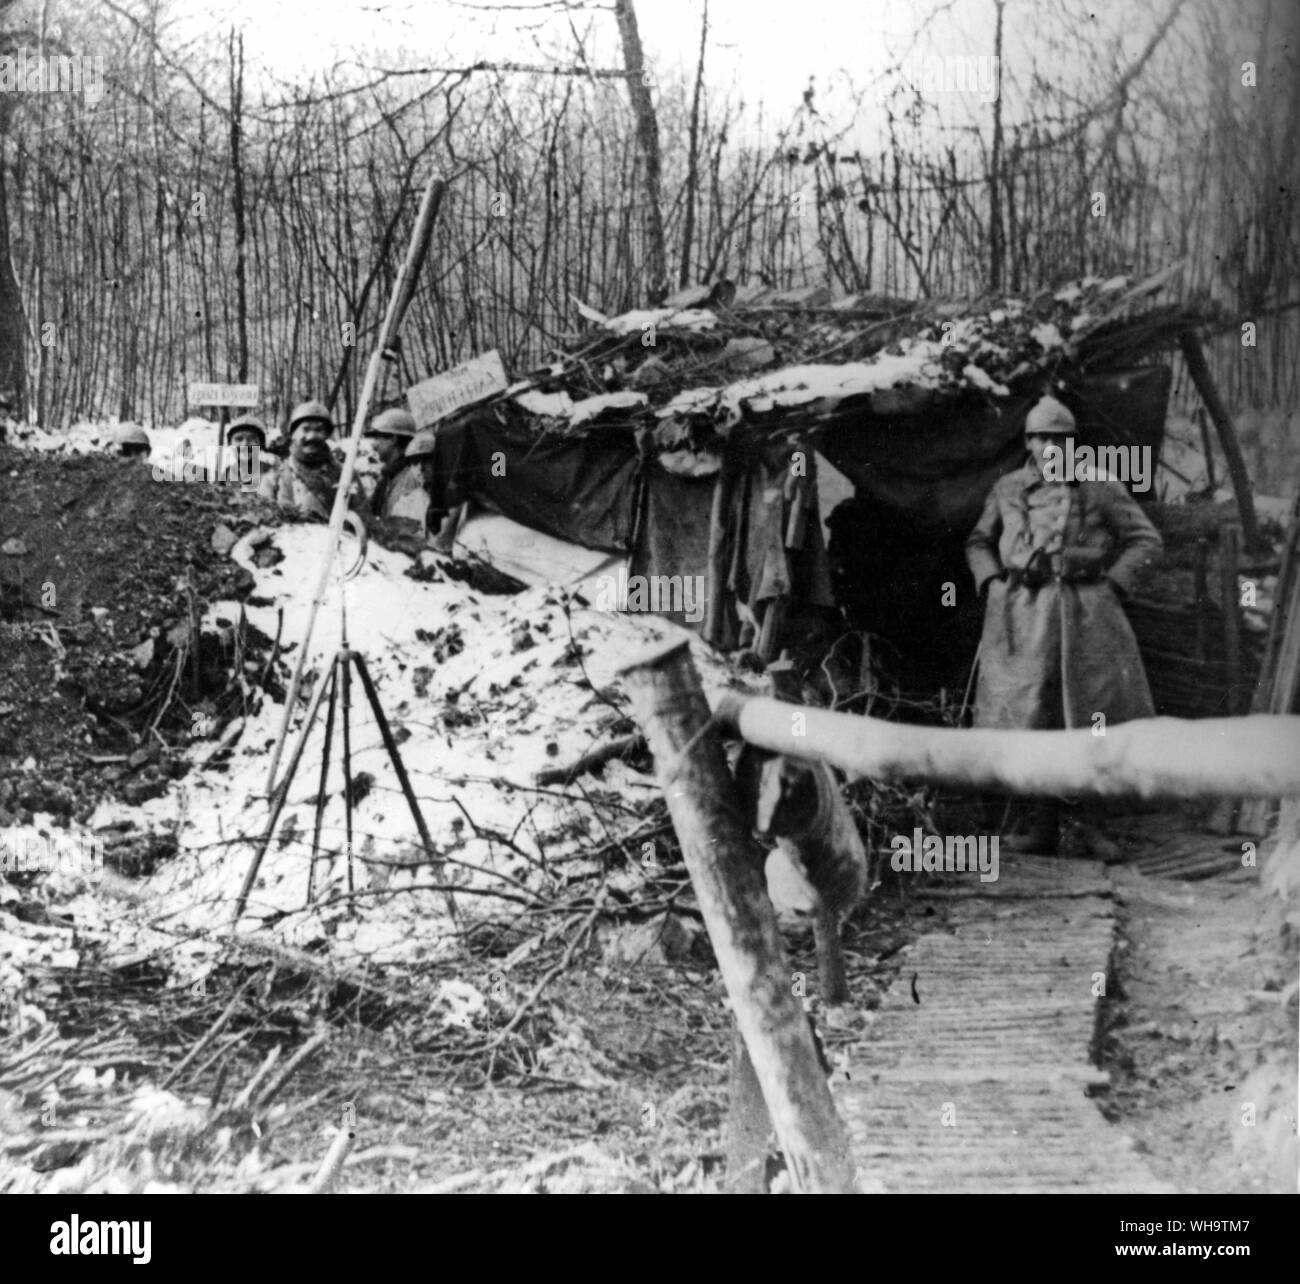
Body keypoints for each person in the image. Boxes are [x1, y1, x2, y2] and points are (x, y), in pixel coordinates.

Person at [965, 394, 1163, 853]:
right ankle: (1040, 827)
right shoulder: (1008, 488)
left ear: (1072, 442)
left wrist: (1113, 583)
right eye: (1040, 437)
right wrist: (993, 582)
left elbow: (1145, 539)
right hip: (1022, 615)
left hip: (1086, 616)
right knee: (1035, 717)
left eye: (1059, 438)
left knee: (1090, 717)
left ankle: (1093, 827)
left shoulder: (1099, 485)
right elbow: (978, 541)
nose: (1049, 446)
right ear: (1029, 441)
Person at [258, 399, 371, 522]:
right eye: (305, 429)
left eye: (318, 430)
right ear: (293, 434)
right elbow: (264, 522)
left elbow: (363, 519)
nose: (312, 436)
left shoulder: (345, 475)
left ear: (327, 434)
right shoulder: (274, 478)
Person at [365, 407, 421, 518]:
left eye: (377, 438)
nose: (373, 445)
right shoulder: (387, 477)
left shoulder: (414, 476)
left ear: (393, 439)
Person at [223, 414, 267, 488]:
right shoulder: (226, 474)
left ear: (261, 444)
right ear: (230, 444)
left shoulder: (274, 475)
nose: (245, 445)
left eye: (251, 439)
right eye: (239, 439)